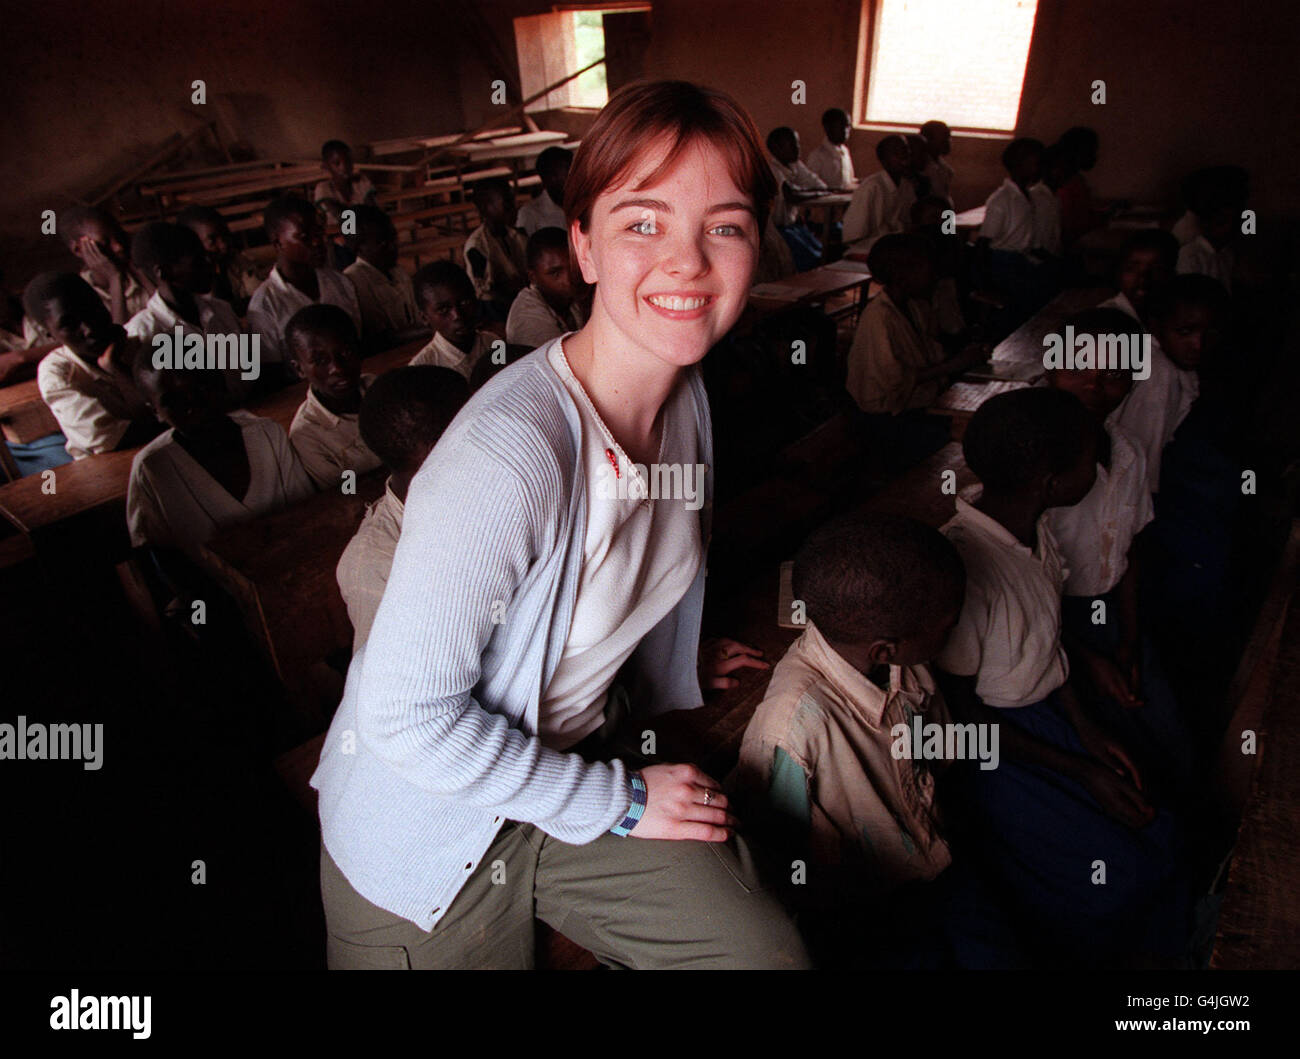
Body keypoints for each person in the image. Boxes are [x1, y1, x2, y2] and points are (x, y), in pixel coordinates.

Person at [310, 79, 808, 970]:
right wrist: (617, 804)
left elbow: (614, 580)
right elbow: (407, 718)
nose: (688, 261)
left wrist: (667, 660)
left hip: (575, 756)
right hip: (429, 819)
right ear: (581, 245)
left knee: (764, 955)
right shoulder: (512, 454)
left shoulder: (683, 391)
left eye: (724, 225)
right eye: (643, 222)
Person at [935, 388, 1189, 966]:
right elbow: (960, 717)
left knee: (1158, 830)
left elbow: (1047, 650)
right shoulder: (970, 569)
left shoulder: (1032, 531)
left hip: (1049, 715)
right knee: (1117, 876)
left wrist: (1091, 736)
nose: (1098, 467)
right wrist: (1081, 768)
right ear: (1050, 481)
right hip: (1000, 749)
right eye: (1086, 459)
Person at [731, 512, 966, 966]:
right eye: (948, 625)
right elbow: (780, 866)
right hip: (865, 913)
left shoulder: (895, 658)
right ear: (884, 648)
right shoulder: (792, 732)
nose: (953, 631)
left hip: (930, 861)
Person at [1045, 308, 1193, 795]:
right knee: (1104, 738)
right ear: (1051, 369)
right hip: (1049, 625)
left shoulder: (1127, 449)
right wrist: (1088, 657)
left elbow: (1128, 552)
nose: (1094, 384)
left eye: (1113, 375)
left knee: (1163, 729)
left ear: (1132, 383)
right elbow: (1023, 588)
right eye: (1079, 368)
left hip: (1108, 613)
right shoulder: (1031, 460)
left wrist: (1130, 636)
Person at [336, 365, 469, 653]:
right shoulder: (374, 565)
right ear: (439, 450)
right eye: (475, 425)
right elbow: (392, 686)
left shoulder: (469, 495)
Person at [126, 352, 313, 556]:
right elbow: (155, 557)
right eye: (172, 400)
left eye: (200, 387)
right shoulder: (151, 467)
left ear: (219, 382)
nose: (192, 404)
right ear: (155, 411)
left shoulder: (267, 434)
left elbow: (307, 512)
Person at [28, 272, 158, 460]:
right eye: (69, 324)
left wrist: (115, 366)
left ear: (103, 305)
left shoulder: (140, 342)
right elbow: (111, 438)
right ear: (49, 334)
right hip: (109, 469)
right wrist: (117, 369)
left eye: (91, 311)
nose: (88, 328)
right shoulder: (57, 373)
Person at [245, 196, 361, 378]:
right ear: (278, 243)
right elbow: (272, 374)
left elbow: (358, 342)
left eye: (319, 233)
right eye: (304, 237)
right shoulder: (265, 305)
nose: (317, 242)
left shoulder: (339, 283)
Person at [285, 304, 382, 491]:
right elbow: (348, 492)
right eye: (320, 360)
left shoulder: (379, 388)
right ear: (299, 369)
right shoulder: (307, 435)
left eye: (345, 352)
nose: (337, 368)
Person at [341, 205, 425, 349]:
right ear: (359, 247)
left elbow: (418, 314)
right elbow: (380, 338)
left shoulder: (398, 272)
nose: (393, 247)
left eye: (393, 238)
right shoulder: (354, 279)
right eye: (382, 242)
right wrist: (428, 329)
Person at [57, 207, 152, 323]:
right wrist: (114, 279)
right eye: (105, 242)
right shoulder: (79, 296)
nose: (118, 247)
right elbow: (118, 337)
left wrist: (139, 270)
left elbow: (173, 318)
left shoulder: (140, 272)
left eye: (119, 235)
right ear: (78, 250)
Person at [409, 260, 498, 380]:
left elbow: (508, 378)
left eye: (464, 302)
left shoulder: (495, 343)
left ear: (476, 300)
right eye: (443, 309)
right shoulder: (420, 371)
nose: (457, 315)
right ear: (425, 318)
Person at [505, 227, 586, 349]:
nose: (568, 280)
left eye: (572, 268)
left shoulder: (567, 298)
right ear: (533, 277)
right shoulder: (528, 319)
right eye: (555, 273)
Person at [176, 205, 263, 315]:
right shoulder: (185, 280)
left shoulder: (237, 261)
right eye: (212, 241)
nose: (223, 245)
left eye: (225, 236)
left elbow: (260, 299)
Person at [463, 177, 529, 322]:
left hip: (521, 299)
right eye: (506, 203)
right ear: (485, 207)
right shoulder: (477, 246)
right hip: (495, 310)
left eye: (512, 201)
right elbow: (484, 292)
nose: (512, 207)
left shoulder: (516, 236)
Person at [766, 126, 828, 271]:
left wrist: (806, 190)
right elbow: (791, 195)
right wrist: (813, 193)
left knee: (821, 252)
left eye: (797, 144)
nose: (797, 148)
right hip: (777, 229)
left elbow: (820, 185)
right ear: (776, 148)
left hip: (792, 225)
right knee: (807, 257)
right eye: (792, 145)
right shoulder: (771, 169)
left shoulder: (795, 166)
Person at [841, 134, 915, 253]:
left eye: (906, 152)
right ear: (884, 161)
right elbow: (853, 235)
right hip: (870, 250)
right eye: (897, 153)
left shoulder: (907, 186)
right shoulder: (871, 187)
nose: (904, 158)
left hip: (896, 247)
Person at [313, 140, 377, 227]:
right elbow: (343, 218)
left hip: (363, 235)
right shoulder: (323, 188)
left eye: (348, 161)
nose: (344, 167)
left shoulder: (361, 182)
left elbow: (375, 212)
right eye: (337, 163)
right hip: (338, 237)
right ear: (326, 166)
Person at [517, 146, 572, 235]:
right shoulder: (529, 213)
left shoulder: (581, 206)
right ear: (551, 177)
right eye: (567, 169)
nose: (573, 175)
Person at [804, 108, 855, 192]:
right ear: (827, 128)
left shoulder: (845, 152)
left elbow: (848, 181)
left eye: (848, 126)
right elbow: (811, 186)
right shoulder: (817, 156)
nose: (845, 131)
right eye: (840, 126)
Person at [919, 120, 954, 204]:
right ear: (927, 139)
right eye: (944, 138)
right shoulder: (921, 169)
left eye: (949, 137)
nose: (948, 142)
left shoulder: (945, 169)